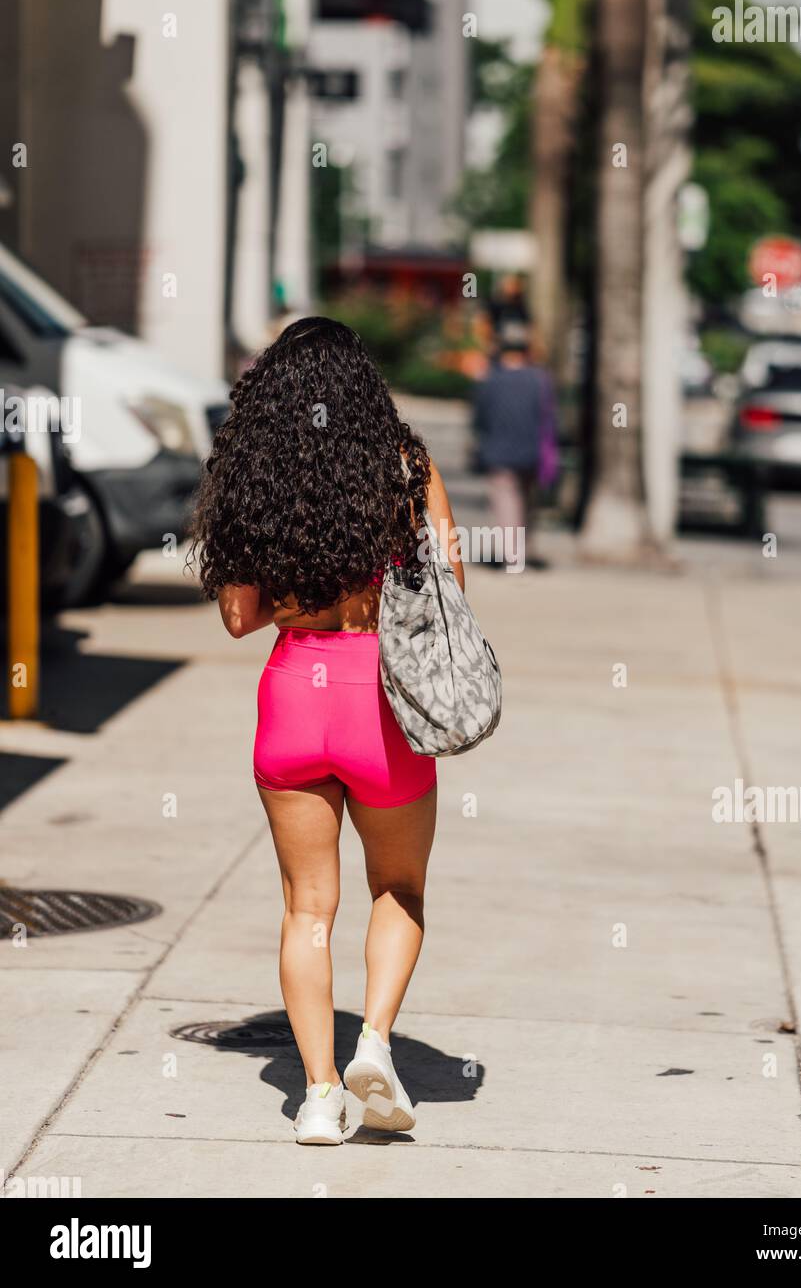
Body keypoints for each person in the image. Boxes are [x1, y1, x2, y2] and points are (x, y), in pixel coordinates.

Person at [189, 317, 464, 1145]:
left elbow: (240, 618)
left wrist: (297, 590)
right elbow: (449, 584)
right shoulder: (405, 467)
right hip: (379, 701)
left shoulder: (256, 478)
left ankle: (315, 1096)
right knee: (399, 889)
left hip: (294, 700)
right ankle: (374, 1042)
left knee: (308, 907)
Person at [473, 318, 557, 571]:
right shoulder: (540, 379)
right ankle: (526, 548)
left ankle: (512, 556)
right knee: (529, 502)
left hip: (499, 451)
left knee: (507, 501)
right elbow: (550, 418)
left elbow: (480, 417)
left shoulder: (490, 379)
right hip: (532, 452)